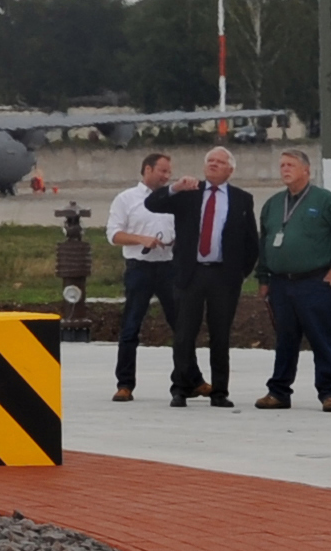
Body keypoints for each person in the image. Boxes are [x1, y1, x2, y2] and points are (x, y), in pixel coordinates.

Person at [146, 146, 259, 407]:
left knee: (220, 335)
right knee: (184, 333)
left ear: (230, 169)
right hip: (191, 273)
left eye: (220, 162)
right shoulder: (190, 193)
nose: (214, 165)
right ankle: (181, 388)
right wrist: (175, 188)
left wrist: (239, 273)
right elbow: (152, 203)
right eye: (210, 161)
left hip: (223, 276)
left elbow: (251, 241)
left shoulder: (242, 199)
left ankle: (219, 391)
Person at [253, 149, 331, 411]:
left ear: (306, 170)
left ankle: (329, 393)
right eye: (282, 165)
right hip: (281, 282)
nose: (285, 170)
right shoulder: (272, 204)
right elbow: (265, 243)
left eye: (291, 165)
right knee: (285, 339)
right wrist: (263, 277)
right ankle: (279, 391)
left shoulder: (325, 201)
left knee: (321, 336)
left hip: (314, 281)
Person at [105, 152, 178, 401]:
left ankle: (189, 378)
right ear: (147, 170)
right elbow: (113, 235)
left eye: (169, 172)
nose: (167, 176)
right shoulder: (127, 199)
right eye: (163, 171)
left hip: (169, 267)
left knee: (181, 326)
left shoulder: (173, 199)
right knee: (131, 326)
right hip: (140, 267)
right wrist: (141, 239)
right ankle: (125, 384)